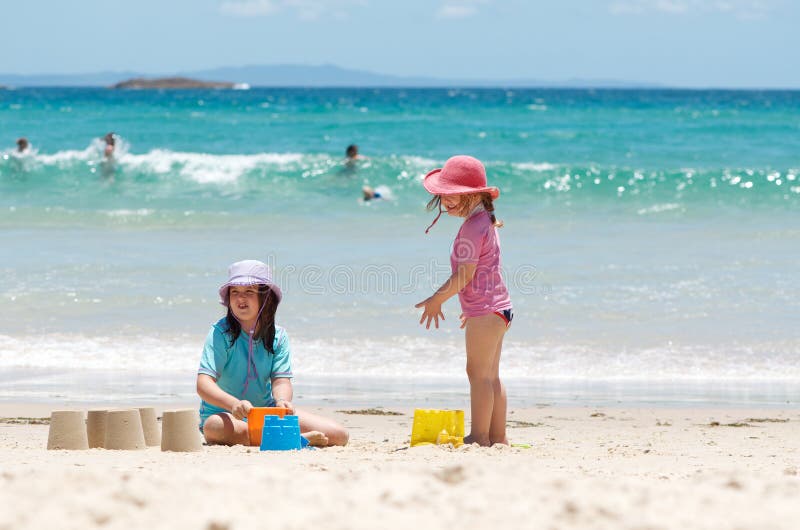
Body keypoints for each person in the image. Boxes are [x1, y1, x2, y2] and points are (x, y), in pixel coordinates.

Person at [415, 155, 513, 447]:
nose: (446, 202)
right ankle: (498, 437)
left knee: (478, 374)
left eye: (453, 195)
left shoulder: (473, 226)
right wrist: (471, 309)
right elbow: (484, 271)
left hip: (487, 310)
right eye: (443, 196)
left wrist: (437, 299)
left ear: (474, 194)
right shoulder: (485, 221)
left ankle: (480, 436)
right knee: (491, 376)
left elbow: (465, 274)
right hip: (497, 308)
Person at [197, 259, 349, 447]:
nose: (240, 298)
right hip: (225, 415)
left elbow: (281, 381)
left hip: (266, 413)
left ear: (266, 298)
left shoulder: (278, 336)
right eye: (234, 292)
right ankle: (292, 439)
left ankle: (278, 436)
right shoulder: (220, 333)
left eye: (249, 292)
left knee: (339, 435)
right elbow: (203, 384)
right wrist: (234, 404)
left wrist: (282, 401)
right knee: (214, 427)